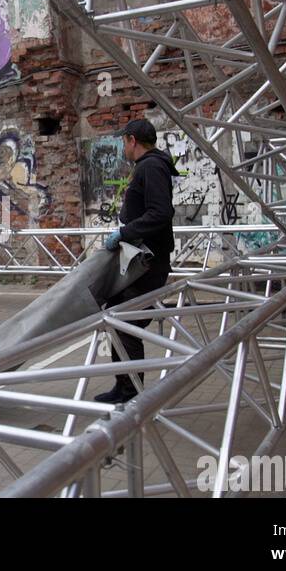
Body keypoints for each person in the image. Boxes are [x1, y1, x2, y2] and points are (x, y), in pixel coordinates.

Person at [96, 119, 180, 404]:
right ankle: (123, 386)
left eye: (123, 142)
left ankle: (132, 394)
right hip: (140, 259)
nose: (122, 147)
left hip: (148, 262)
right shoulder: (150, 166)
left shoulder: (151, 166)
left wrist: (125, 232)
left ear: (132, 140)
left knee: (124, 320)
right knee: (115, 315)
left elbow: (160, 213)